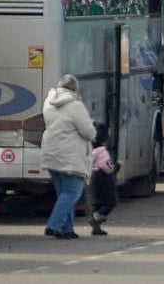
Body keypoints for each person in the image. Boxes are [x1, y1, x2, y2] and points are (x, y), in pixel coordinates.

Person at [42, 74, 96, 239]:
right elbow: (88, 132)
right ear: (74, 89)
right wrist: (93, 132)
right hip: (70, 156)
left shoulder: (48, 102)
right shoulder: (75, 106)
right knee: (72, 192)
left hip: (51, 152)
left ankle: (67, 229)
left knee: (63, 194)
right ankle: (53, 225)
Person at [88, 124, 119, 236]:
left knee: (98, 202)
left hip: (94, 177)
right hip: (103, 178)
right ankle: (97, 218)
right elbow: (107, 167)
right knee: (110, 201)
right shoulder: (103, 152)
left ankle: (97, 227)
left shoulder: (93, 151)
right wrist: (117, 166)